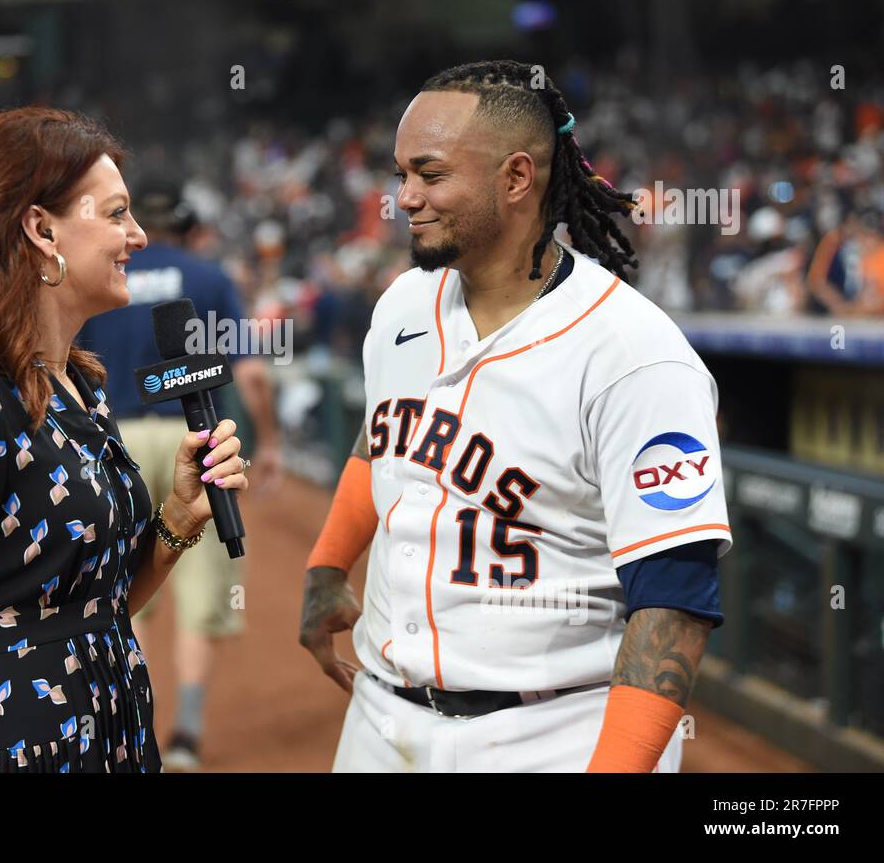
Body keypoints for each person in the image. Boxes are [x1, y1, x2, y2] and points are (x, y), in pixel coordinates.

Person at [298, 61, 730, 772]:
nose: (404, 197)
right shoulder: (403, 305)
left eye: (430, 175)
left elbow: (675, 600)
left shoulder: (634, 354)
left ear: (517, 177)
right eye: (400, 172)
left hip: (552, 732)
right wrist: (325, 567)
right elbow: (384, 438)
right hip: (379, 718)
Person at [0, 107, 251, 773]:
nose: (139, 235)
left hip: (107, 735)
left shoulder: (80, 385)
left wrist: (178, 520)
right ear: (42, 229)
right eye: (117, 213)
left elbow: (93, 607)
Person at [78, 178, 281, 770]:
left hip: (116, 441)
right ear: (191, 227)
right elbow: (252, 375)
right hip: (197, 440)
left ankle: (136, 718)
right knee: (198, 592)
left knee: (128, 593)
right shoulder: (210, 277)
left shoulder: (104, 275)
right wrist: (269, 442)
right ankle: (187, 737)